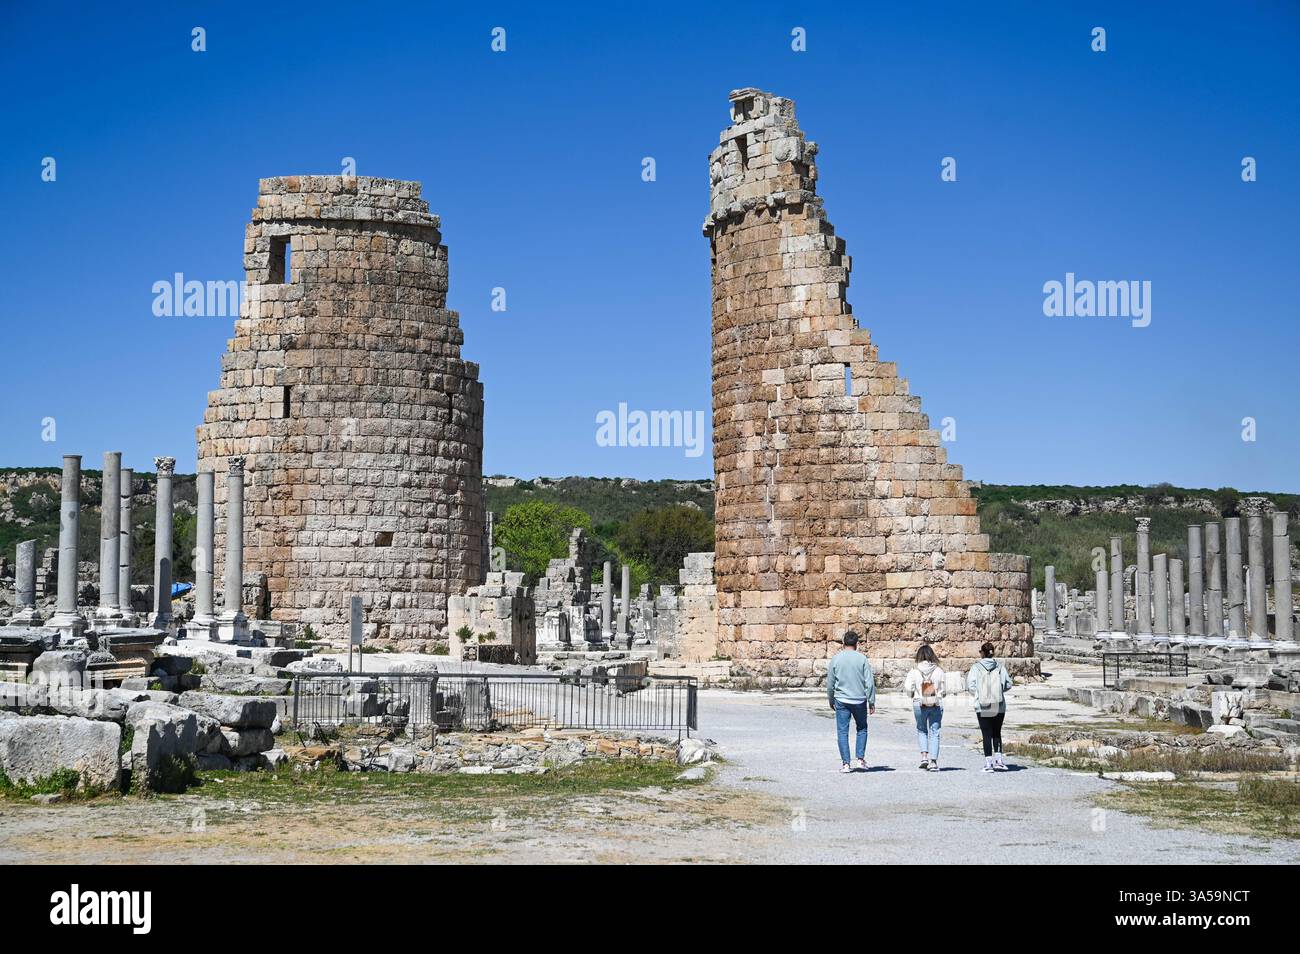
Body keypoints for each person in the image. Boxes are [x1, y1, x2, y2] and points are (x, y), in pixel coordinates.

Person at [826, 630, 876, 773]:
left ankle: (846, 764)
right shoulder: (862, 659)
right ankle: (860, 759)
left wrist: (831, 699)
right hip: (859, 699)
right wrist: (871, 701)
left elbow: (830, 683)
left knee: (842, 731)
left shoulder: (836, 659)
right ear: (857, 644)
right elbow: (869, 683)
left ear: (843, 643)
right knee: (862, 728)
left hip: (841, 699)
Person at [967, 642, 1013, 772]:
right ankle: (999, 761)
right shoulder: (1000, 667)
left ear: (982, 653)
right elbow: (1008, 684)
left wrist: (979, 694)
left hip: (983, 705)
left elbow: (971, 685)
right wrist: (998, 691)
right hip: (998, 704)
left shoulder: (976, 667)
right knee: (996, 733)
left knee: (986, 734)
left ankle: (988, 764)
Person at [904, 644, 945, 771]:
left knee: (922, 730)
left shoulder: (914, 671)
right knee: (935, 732)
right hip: (935, 703)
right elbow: (943, 690)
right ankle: (933, 761)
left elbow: (908, 688)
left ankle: (924, 757)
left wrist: (913, 694)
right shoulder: (939, 671)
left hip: (919, 703)